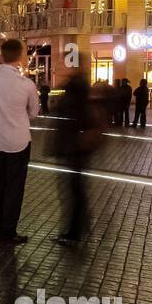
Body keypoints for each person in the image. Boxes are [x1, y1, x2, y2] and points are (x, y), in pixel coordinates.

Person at [0, 39, 39, 246]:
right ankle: (8, 229)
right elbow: (33, 113)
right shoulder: (27, 85)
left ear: (1, 55)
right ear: (20, 56)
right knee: (14, 187)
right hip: (18, 141)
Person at [55, 70, 103, 246]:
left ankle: (75, 232)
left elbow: (68, 125)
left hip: (74, 151)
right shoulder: (83, 100)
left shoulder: (74, 101)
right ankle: (80, 227)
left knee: (75, 191)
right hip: (76, 151)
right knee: (76, 190)